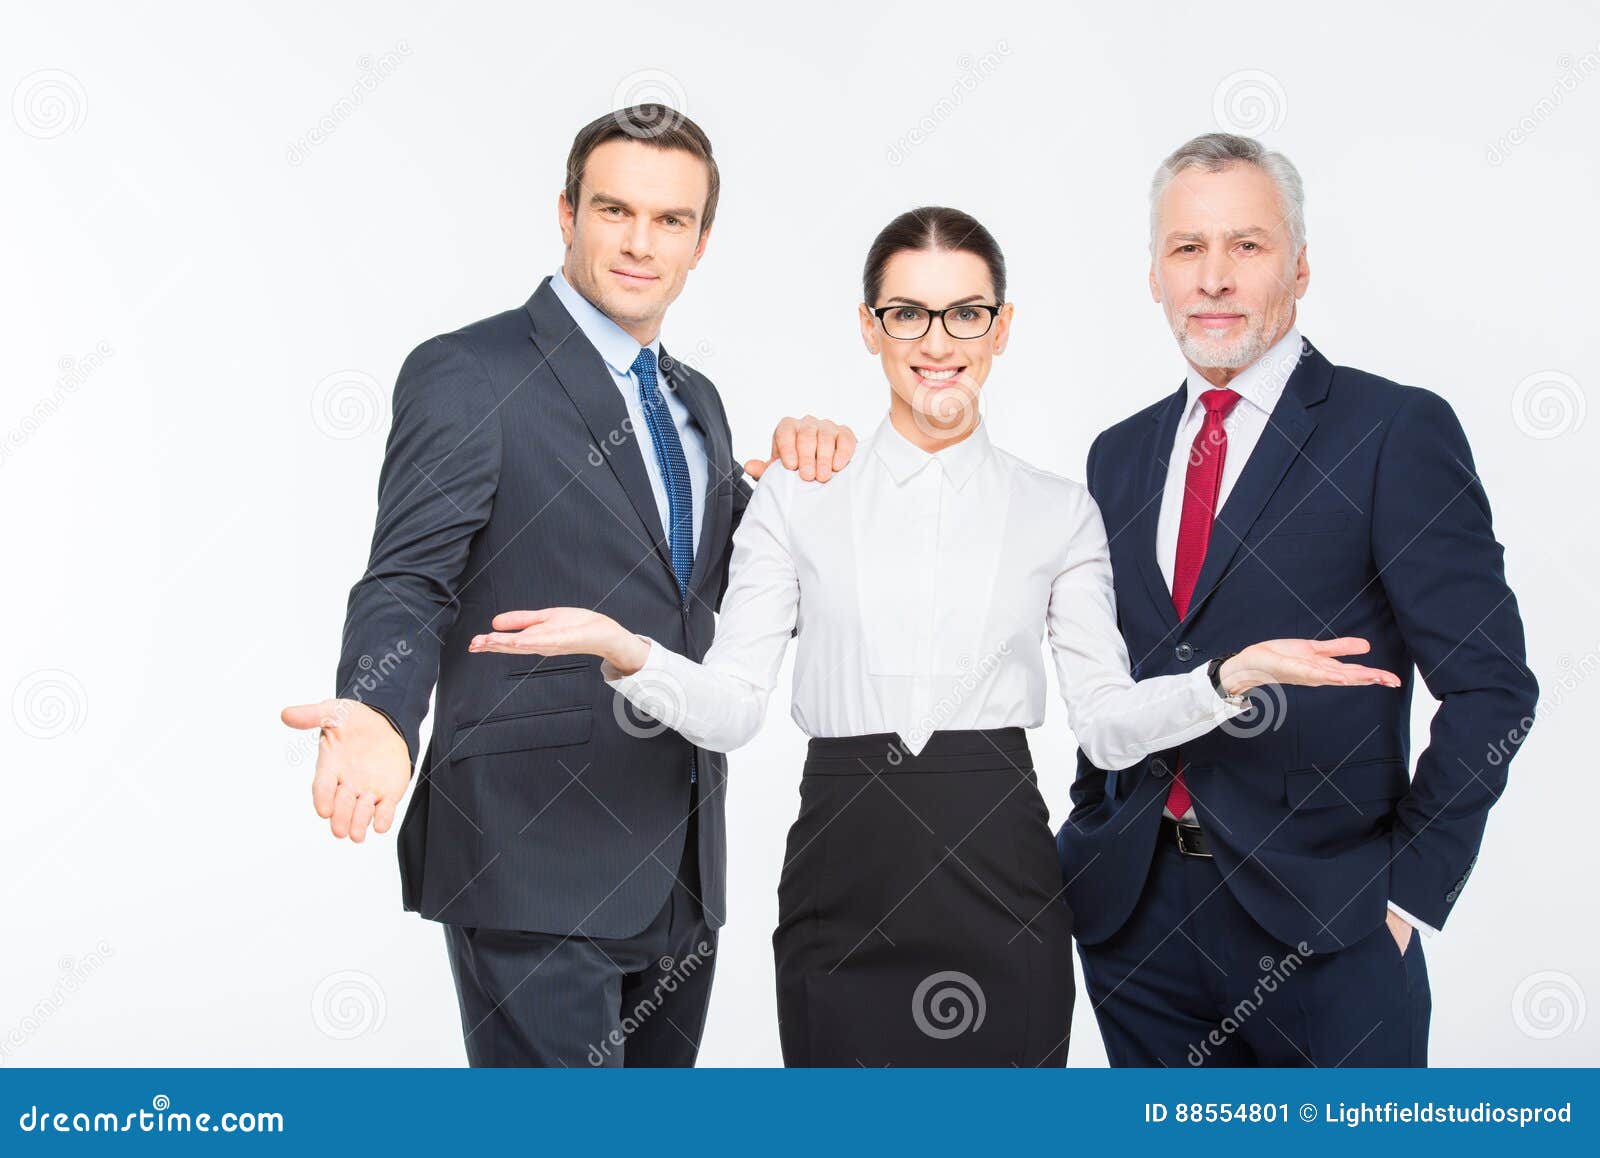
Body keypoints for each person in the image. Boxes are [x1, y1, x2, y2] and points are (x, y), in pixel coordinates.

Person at [468, 205, 1400, 1067]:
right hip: (842, 872)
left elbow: (1109, 726)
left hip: (1004, 876)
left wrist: (1224, 679)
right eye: (908, 314)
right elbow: (732, 711)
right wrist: (624, 650)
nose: (937, 342)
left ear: (1001, 329)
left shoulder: (1058, 510)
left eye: (964, 314)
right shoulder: (799, 493)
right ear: (870, 328)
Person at [281, 105, 858, 1068]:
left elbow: (716, 583)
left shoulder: (695, 400)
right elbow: (409, 577)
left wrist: (810, 489)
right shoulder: (470, 371)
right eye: (614, 210)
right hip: (532, 844)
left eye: (670, 220)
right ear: (567, 213)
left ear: (701, 242)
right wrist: (382, 709)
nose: (640, 243)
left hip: (679, 852)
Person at [1059, 133, 1538, 1067]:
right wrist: (1094, 831)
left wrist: (1404, 897)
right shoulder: (1117, 456)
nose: (1215, 278)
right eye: (1187, 249)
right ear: (1154, 275)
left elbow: (1492, 688)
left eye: (1248, 245)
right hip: (1137, 924)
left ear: (1301, 266)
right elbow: (1111, 681)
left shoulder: (1394, 430)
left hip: (1330, 927)